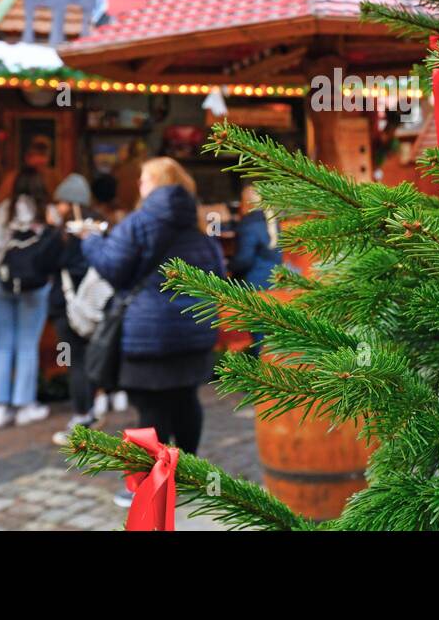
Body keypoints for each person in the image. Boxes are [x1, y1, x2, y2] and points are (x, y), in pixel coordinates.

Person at [80, 157, 224, 507]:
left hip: (147, 334)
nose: (140, 187)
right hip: (193, 330)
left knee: (150, 409)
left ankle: (151, 485)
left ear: (155, 184)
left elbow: (114, 268)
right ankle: (186, 474)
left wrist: (89, 242)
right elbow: (218, 271)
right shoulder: (198, 223)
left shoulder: (138, 223)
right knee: (186, 399)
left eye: (144, 180)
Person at [0, 168, 60, 429]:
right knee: (28, 342)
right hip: (35, 283)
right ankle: (24, 404)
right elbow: (58, 248)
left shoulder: (4, 210)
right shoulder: (49, 212)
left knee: (3, 342)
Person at [46, 172, 108, 446]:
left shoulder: (65, 234)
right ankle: (96, 406)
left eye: (60, 202)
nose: (57, 208)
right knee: (91, 358)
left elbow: (45, 262)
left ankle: (82, 417)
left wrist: (49, 231)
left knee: (75, 363)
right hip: (96, 305)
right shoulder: (102, 227)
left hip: (69, 306)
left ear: (71, 203)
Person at [228, 184, 283, 356]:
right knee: (271, 328)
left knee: (257, 329)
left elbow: (244, 259)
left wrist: (229, 269)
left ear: (245, 203)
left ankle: (257, 365)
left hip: (253, 284)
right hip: (274, 281)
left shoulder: (248, 225)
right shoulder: (273, 223)